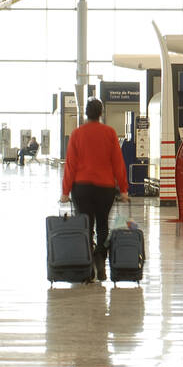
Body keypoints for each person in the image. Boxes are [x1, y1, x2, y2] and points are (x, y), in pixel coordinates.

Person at [59, 99, 130, 279]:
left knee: (85, 227)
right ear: (101, 113)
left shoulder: (77, 133)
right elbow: (118, 163)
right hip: (105, 188)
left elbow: (71, 165)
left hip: (81, 188)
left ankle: (88, 266)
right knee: (103, 226)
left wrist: (65, 192)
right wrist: (123, 189)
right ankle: (101, 259)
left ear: (86, 113)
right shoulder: (109, 133)